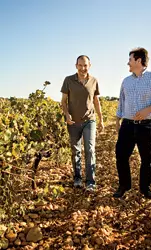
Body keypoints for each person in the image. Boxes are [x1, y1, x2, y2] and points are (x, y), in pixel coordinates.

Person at [113, 47, 151, 199]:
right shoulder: (126, 81)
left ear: (138, 60)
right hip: (127, 125)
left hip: (146, 125)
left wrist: (148, 109)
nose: (127, 63)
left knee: (146, 158)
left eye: (130, 59)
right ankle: (124, 185)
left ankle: (145, 188)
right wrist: (118, 120)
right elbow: (121, 102)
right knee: (121, 156)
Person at [61, 55, 104, 192]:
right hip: (73, 122)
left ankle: (90, 181)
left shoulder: (94, 81)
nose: (82, 68)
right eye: (80, 65)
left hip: (89, 120)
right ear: (76, 66)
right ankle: (77, 178)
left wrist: (101, 119)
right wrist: (67, 116)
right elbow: (63, 101)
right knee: (76, 151)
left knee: (90, 150)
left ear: (89, 66)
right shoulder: (68, 80)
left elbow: (96, 101)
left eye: (85, 65)